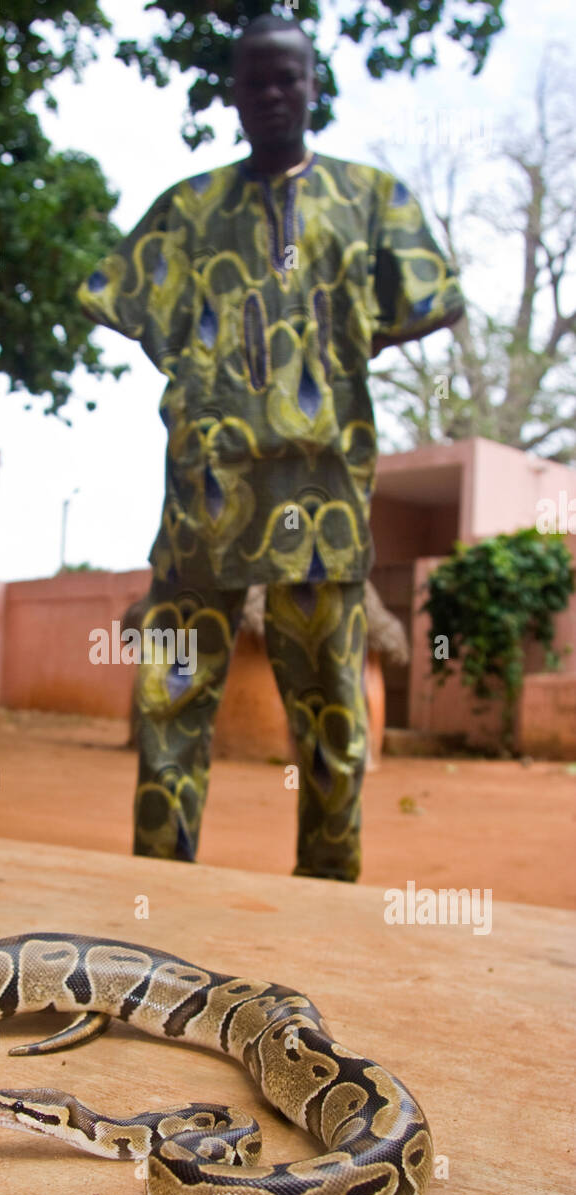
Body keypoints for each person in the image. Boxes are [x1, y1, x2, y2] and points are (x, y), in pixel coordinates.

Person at [77, 13, 465, 881]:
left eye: (289, 76)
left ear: (314, 85)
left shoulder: (371, 200)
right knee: (173, 692)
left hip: (322, 480)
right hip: (205, 483)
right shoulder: (188, 209)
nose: (273, 93)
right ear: (234, 92)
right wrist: (204, 375)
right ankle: (157, 882)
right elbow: (132, 302)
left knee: (331, 701)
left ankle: (328, 892)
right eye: (255, 79)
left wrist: (333, 355)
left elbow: (432, 298)